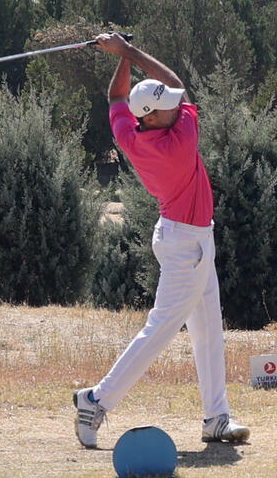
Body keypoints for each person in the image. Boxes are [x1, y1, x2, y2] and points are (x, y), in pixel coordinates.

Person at [73, 34, 249, 450]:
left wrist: (121, 55)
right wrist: (129, 52)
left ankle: (216, 417)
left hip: (187, 239)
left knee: (208, 331)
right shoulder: (180, 138)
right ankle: (96, 401)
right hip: (186, 246)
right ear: (151, 116)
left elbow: (116, 97)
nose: (175, 103)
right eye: (166, 104)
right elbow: (178, 85)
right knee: (159, 331)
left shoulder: (130, 133)